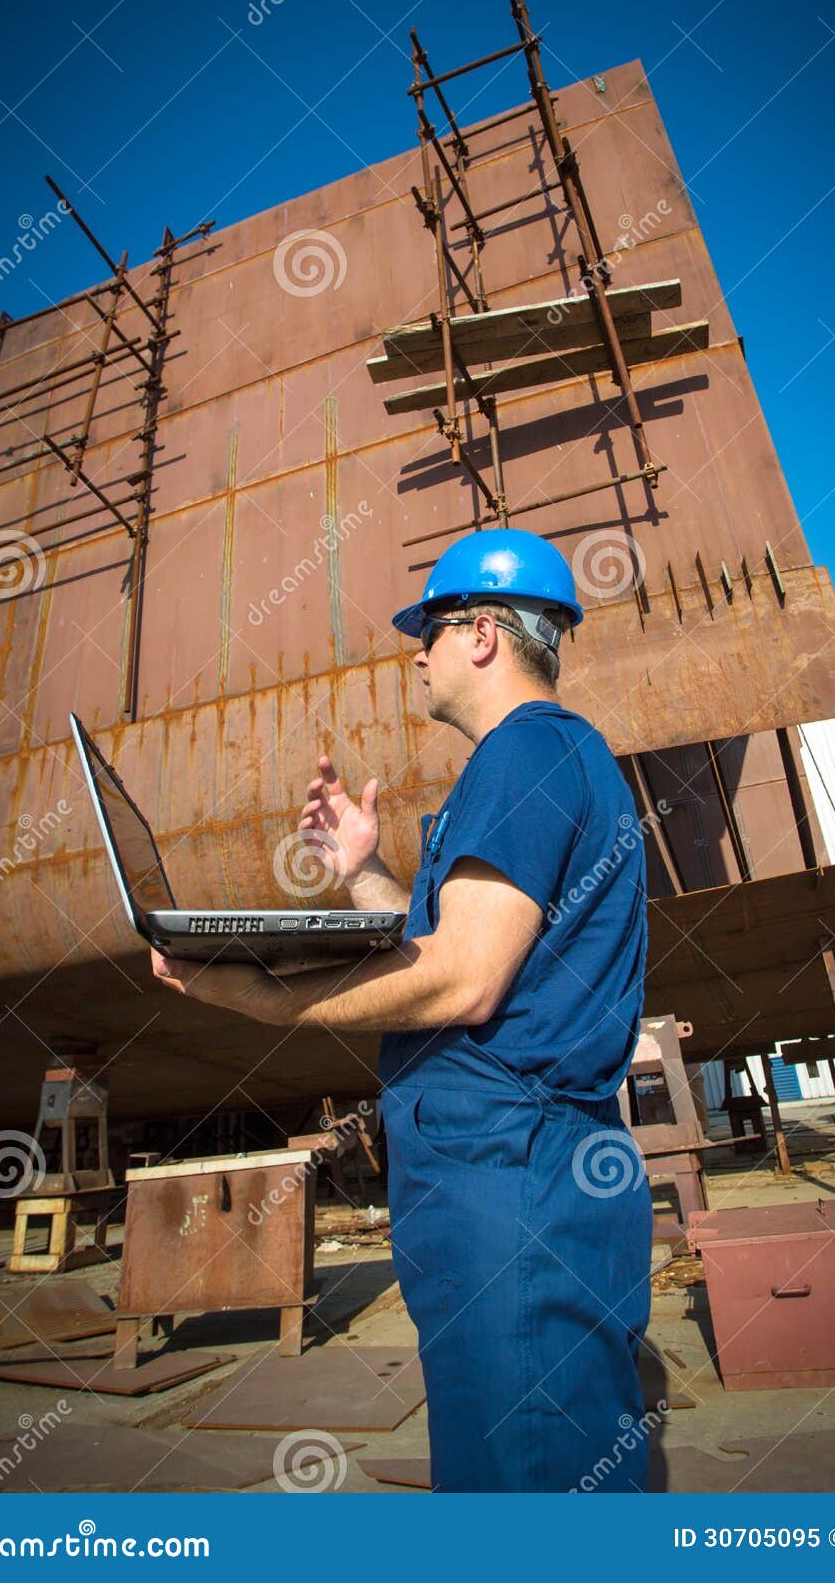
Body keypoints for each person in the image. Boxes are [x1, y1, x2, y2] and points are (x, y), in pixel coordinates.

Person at [152, 527, 651, 1492]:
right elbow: (455, 939)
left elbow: (462, 978)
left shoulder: (526, 753)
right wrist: (367, 872)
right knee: (518, 1461)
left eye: (427, 630)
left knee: (527, 1479)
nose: (415, 654)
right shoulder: (542, 761)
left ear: (479, 635)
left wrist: (265, 998)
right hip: (509, 1176)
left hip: (513, 1176)